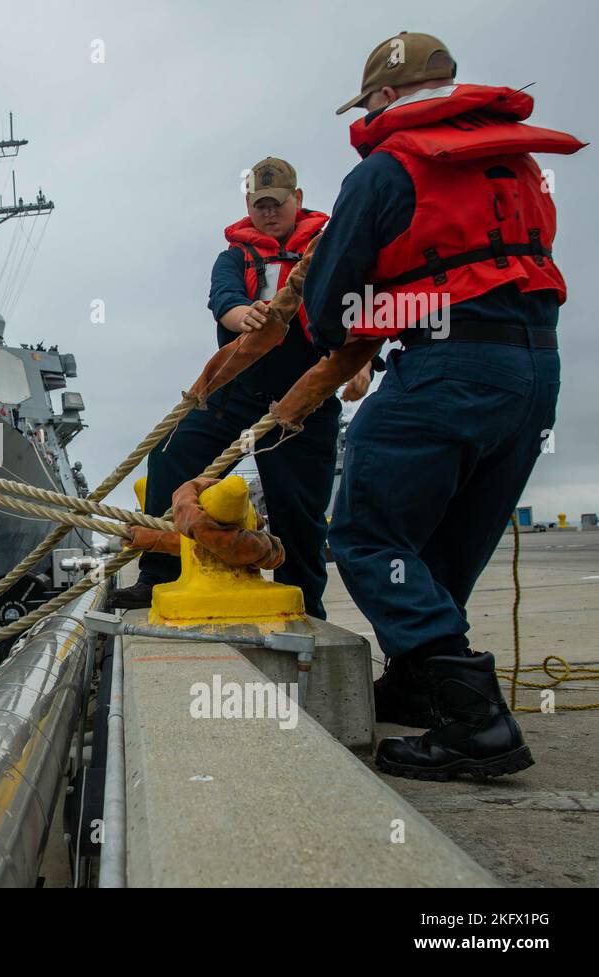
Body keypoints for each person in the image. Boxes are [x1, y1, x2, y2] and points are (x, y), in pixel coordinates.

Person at [304, 32, 582, 779]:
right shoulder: (516, 163)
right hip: (535, 368)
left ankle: (475, 721)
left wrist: (340, 337)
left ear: (384, 98)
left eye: (366, 103)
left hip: (446, 368)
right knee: (443, 545)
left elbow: (330, 302)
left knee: (363, 530)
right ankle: (423, 682)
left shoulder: (388, 170)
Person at [110, 157, 367, 618]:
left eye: (278, 203)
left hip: (303, 403)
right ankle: (157, 576)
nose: (268, 213)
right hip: (235, 393)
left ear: (298, 200)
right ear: (248, 205)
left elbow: (354, 309)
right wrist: (240, 316)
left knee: (300, 512)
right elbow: (223, 298)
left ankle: (305, 605)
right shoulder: (235, 257)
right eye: (260, 205)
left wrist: (360, 365)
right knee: (169, 452)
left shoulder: (330, 253)